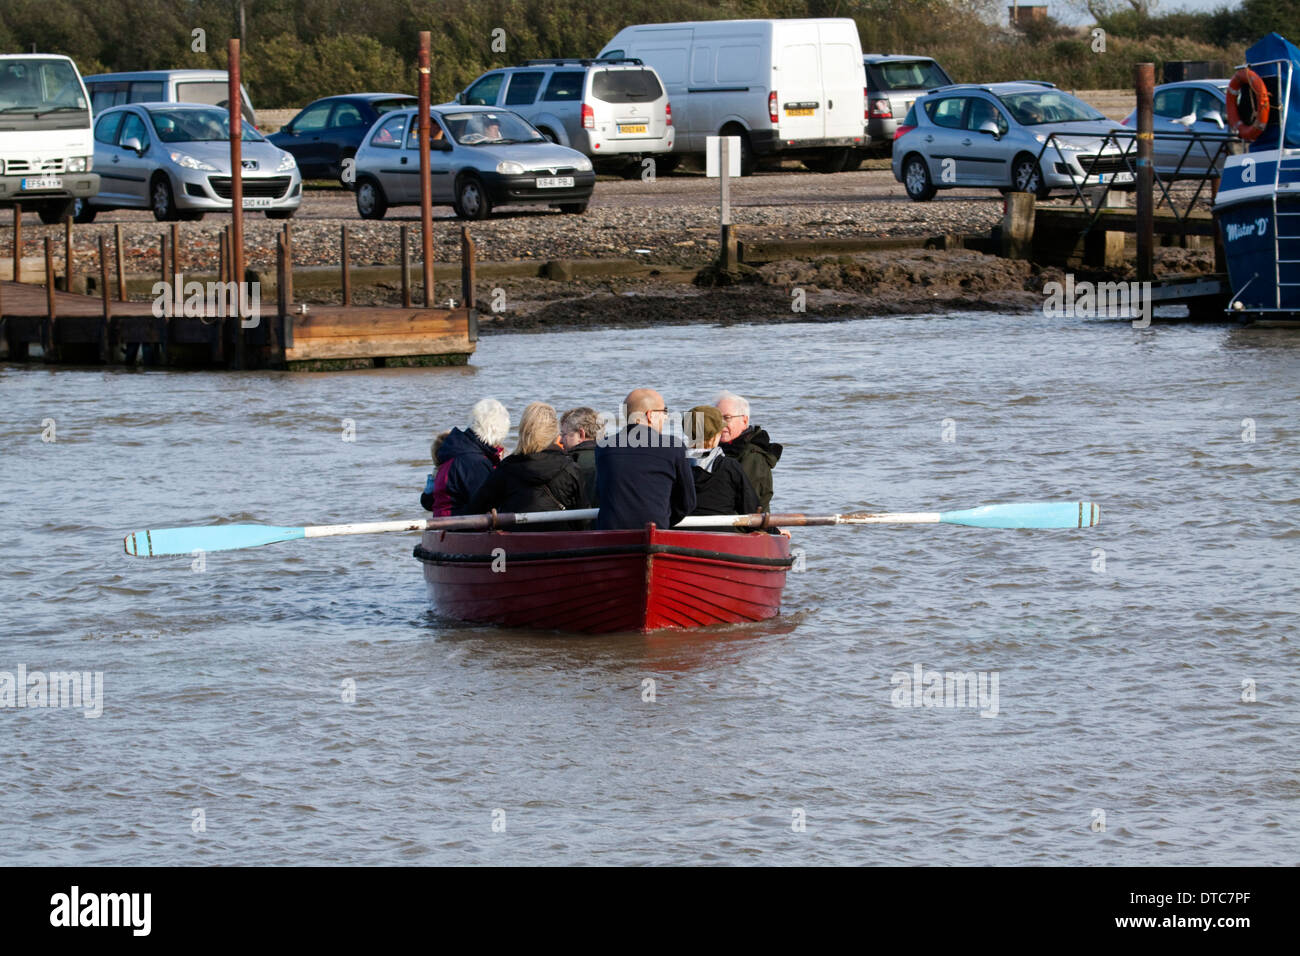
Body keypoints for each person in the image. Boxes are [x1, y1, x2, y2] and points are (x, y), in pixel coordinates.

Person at [595, 388, 696, 531]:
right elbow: (687, 502)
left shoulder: (603, 447)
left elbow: (600, 492)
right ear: (650, 415)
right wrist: (662, 518)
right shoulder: (674, 446)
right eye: (664, 411)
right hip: (655, 531)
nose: (666, 417)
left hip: (611, 534)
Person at [467, 402, 583, 525]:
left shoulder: (506, 468)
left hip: (514, 540)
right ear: (554, 433)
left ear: (523, 430)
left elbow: (476, 510)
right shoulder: (570, 468)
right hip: (561, 539)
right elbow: (583, 518)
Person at [421, 398, 509, 516]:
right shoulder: (473, 462)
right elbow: (486, 503)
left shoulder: (458, 450)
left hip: (444, 523)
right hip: (456, 526)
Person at [682, 406, 758, 529]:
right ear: (717, 434)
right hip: (721, 537)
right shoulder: (729, 466)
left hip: (678, 536)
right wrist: (775, 532)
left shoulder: (673, 465)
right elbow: (752, 510)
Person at [715, 391, 782, 513]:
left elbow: (751, 505)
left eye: (727, 418)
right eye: (716, 418)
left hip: (742, 526)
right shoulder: (713, 450)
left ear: (744, 421)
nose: (720, 423)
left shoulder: (753, 456)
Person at [560, 406, 601, 509]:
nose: (560, 440)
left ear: (581, 434)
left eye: (564, 434)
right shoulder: (611, 459)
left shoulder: (565, 465)